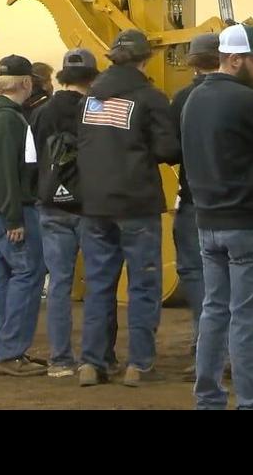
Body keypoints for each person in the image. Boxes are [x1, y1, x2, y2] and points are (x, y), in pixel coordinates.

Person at [182, 22, 253, 409]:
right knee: (247, 322)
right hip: (249, 224)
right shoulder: (251, 102)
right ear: (234, 59)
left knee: (214, 313)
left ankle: (208, 398)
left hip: (208, 223)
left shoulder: (195, 98)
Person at [75, 29, 180, 388]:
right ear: (144, 59)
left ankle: (92, 363)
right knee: (143, 285)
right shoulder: (150, 98)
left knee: (100, 284)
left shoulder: (91, 98)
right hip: (136, 203)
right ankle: (139, 364)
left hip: (95, 204)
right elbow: (168, 150)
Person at [29, 48, 118, 378]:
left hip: (52, 206)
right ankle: (98, 358)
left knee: (59, 284)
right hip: (92, 206)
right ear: (94, 76)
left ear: (63, 76)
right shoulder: (98, 108)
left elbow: (32, 160)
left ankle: (60, 360)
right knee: (99, 282)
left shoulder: (41, 112)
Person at [0, 55, 47, 376]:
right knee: (28, 272)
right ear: (27, 83)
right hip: (11, 210)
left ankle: (7, 346)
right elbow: (2, 171)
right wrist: (14, 218)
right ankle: (10, 351)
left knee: (4, 273)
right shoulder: (6, 119)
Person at [170, 32, 220, 380]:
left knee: (196, 272)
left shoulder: (184, 97)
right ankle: (241, 346)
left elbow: (170, 148)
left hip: (193, 198)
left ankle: (205, 344)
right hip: (242, 204)